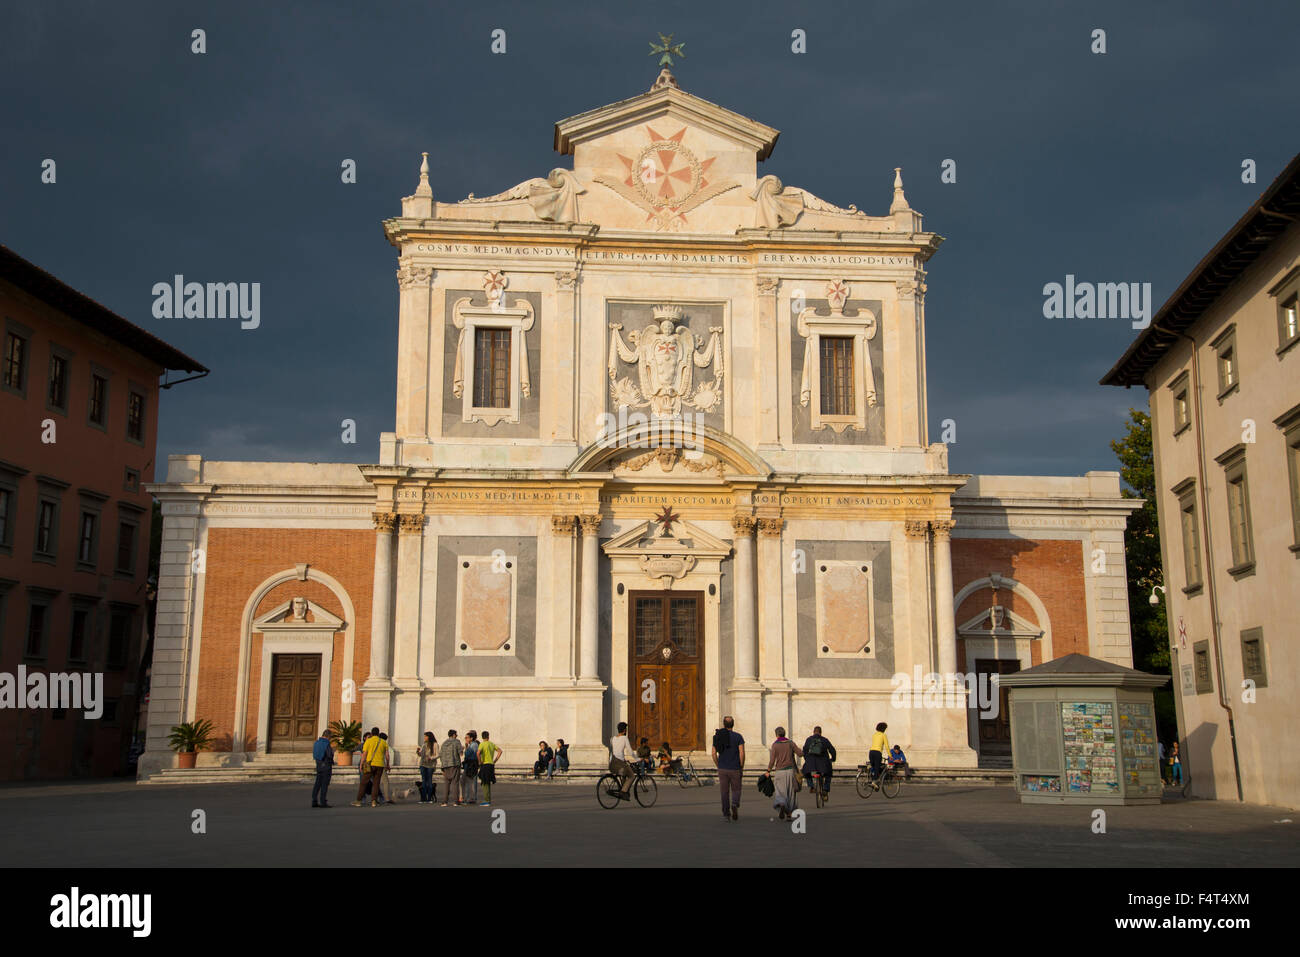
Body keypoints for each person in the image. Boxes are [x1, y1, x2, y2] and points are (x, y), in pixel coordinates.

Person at [712, 717, 745, 821]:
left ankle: (726, 814)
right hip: (735, 767)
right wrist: (741, 766)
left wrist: (718, 764)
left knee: (724, 792)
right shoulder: (738, 736)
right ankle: (735, 804)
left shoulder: (718, 736)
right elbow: (742, 753)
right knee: (736, 789)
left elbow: (713, 753)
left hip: (723, 768)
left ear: (723, 724)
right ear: (733, 724)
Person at [766, 727, 803, 820]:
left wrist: (768, 771)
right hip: (790, 771)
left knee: (780, 791)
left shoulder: (775, 745)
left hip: (779, 771)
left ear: (777, 735)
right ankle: (789, 814)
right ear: (784, 733)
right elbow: (800, 753)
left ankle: (782, 804)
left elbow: (772, 760)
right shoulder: (790, 743)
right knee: (790, 792)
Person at [352, 726, 388, 807]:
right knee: (376, 783)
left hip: (370, 764)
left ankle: (359, 801)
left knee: (364, 782)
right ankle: (374, 801)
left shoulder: (368, 741)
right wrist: (388, 764)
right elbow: (387, 755)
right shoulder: (383, 742)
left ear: (371, 734)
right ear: (378, 734)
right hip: (380, 765)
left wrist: (361, 764)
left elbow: (364, 754)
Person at [801, 726, 836, 800]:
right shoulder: (824, 740)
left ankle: (811, 786)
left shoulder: (809, 740)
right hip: (823, 764)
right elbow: (832, 750)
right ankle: (826, 789)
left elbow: (804, 751)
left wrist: (807, 760)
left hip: (811, 764)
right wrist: (833, 759)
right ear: (821, 732)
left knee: (805, 772)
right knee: (828, 774)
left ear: (813, 732)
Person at [609, 721, 639, 799]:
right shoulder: (624, 738)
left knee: (625, 772)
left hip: (612, 763)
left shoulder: (612, 739)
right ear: (624, 730)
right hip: (619, 764)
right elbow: (630, 752)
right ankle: (623, 791)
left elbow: (615, 752)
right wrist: (637, 759)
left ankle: (623, 790)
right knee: (632, 776)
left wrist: (624, 759)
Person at [438, 730, 463, 807]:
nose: (457, 735)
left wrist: (442, 766)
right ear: (453, 735)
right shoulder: (457, 742)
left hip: (445, 766)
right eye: (456, 734)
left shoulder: (444, 743)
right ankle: (456, 801)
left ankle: (444, 801)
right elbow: (461, 753)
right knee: (455, 783)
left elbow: (441, 755)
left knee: (446, 784)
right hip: (454, 764)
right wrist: (463, 748)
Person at [478, 730, 501, 805]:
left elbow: (478, 753)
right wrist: (495, 760)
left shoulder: (482, 744)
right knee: (488, 782)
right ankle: (488, 799)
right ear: (488, 736)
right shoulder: (491, 744)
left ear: (482, 737)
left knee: (484, 782)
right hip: (491, 764)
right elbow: (500, 751)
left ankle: (486, 800)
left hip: (485, 764)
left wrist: (480, 761)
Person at [311, 729, 333, 808]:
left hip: (318, 764)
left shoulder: (316, 743)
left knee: (317, 783)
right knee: (324, 784)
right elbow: (329, 754)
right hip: (326, 765)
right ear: (328, 736)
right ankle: (323, 801)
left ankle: (314, 800)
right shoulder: (326, 743)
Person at [417, 732, 438, 804]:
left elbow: (438, 755)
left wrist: (431, 758)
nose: (424, 738)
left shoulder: (435, 744)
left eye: (426, 736)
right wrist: (418, 752)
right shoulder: (424, 745)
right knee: (423, 781)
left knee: (429, 781)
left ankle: (429, 798)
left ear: (429, 737)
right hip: (423, 764)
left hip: (431, 765)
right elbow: (421, 755)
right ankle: (423, 798)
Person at [868, 722, 890, 789]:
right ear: (884, 729)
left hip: (871, 752)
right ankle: (874, 782)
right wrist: (890, 755)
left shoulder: (874, 735)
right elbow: (886, 746)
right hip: (877, 753)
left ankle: (872, 779)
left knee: (873, 766)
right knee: (877, 767)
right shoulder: (883, 735)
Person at [460, 731, 480, 804]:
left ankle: (471, 798)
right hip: (468, 765)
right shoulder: (471, 745)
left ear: (471, 738)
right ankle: (466, 797)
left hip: (471, 765)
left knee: (471, 782)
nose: (465, 739)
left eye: (467, 737)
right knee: (464, 781)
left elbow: (468, 754)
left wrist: (466, 747)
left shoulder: (474, 745)